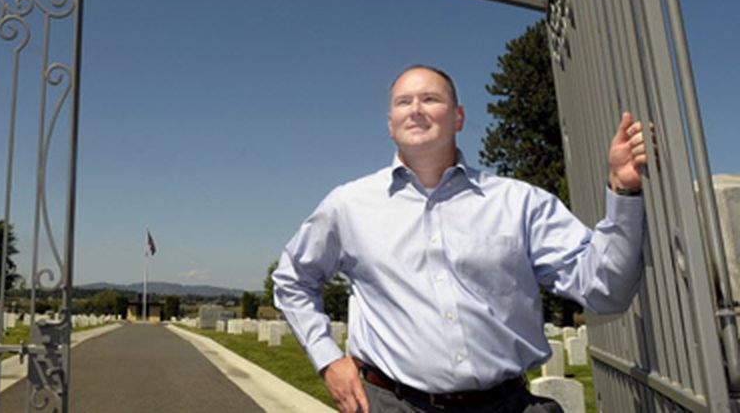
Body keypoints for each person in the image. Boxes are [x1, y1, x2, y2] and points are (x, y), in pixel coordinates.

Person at [272, 65, 648, 412]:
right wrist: (327, 359)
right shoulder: (348, 205)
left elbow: (606, 290)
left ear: (459, 117)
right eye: (404, 102)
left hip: (505, 405)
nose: (416, 109)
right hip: (392, 404)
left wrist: (624, 192)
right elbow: (293, 280)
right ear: (390, 124)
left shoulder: (520, 203)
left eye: (431, 99)